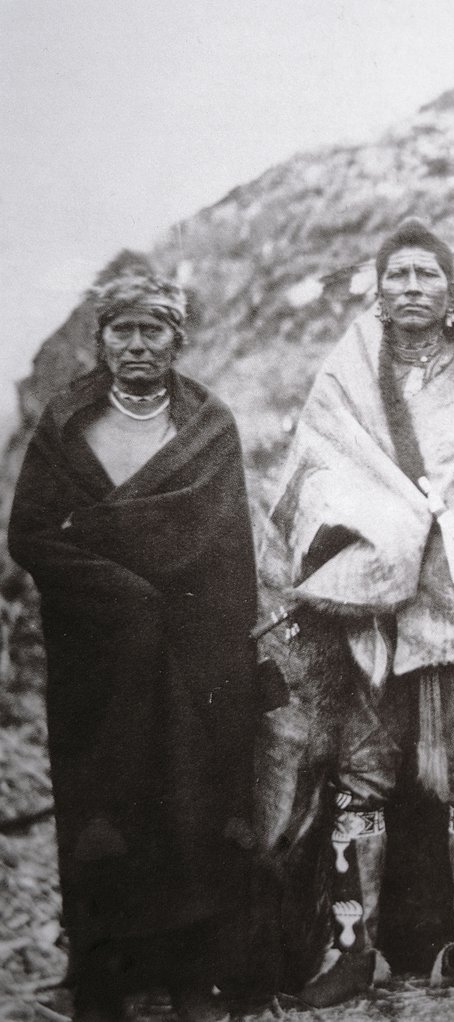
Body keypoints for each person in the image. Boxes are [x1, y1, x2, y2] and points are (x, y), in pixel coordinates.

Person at [260, 218, 454, 1004]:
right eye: (395, 275)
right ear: (377, 289)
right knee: (361, 776)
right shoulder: (347, 375)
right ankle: (348, 950)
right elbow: (316, 469)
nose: (410, 288)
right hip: (371, 612)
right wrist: (390, 517)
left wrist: (453, 517)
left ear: (450, 288)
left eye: (426, 275)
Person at [9, 271, 261, 1022]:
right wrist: (121, 590)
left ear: (178, 340)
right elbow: (31, 537)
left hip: (190, 657)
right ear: (102, 339)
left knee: (189, 809)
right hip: (96, 661)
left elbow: (227, 551)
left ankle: (190, 978)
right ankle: (102, 979)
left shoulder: (209, 429)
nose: (138, 345)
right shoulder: (63, 425)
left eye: (154, 329)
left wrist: (228, 663)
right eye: (123, 329)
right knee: (101, 809)